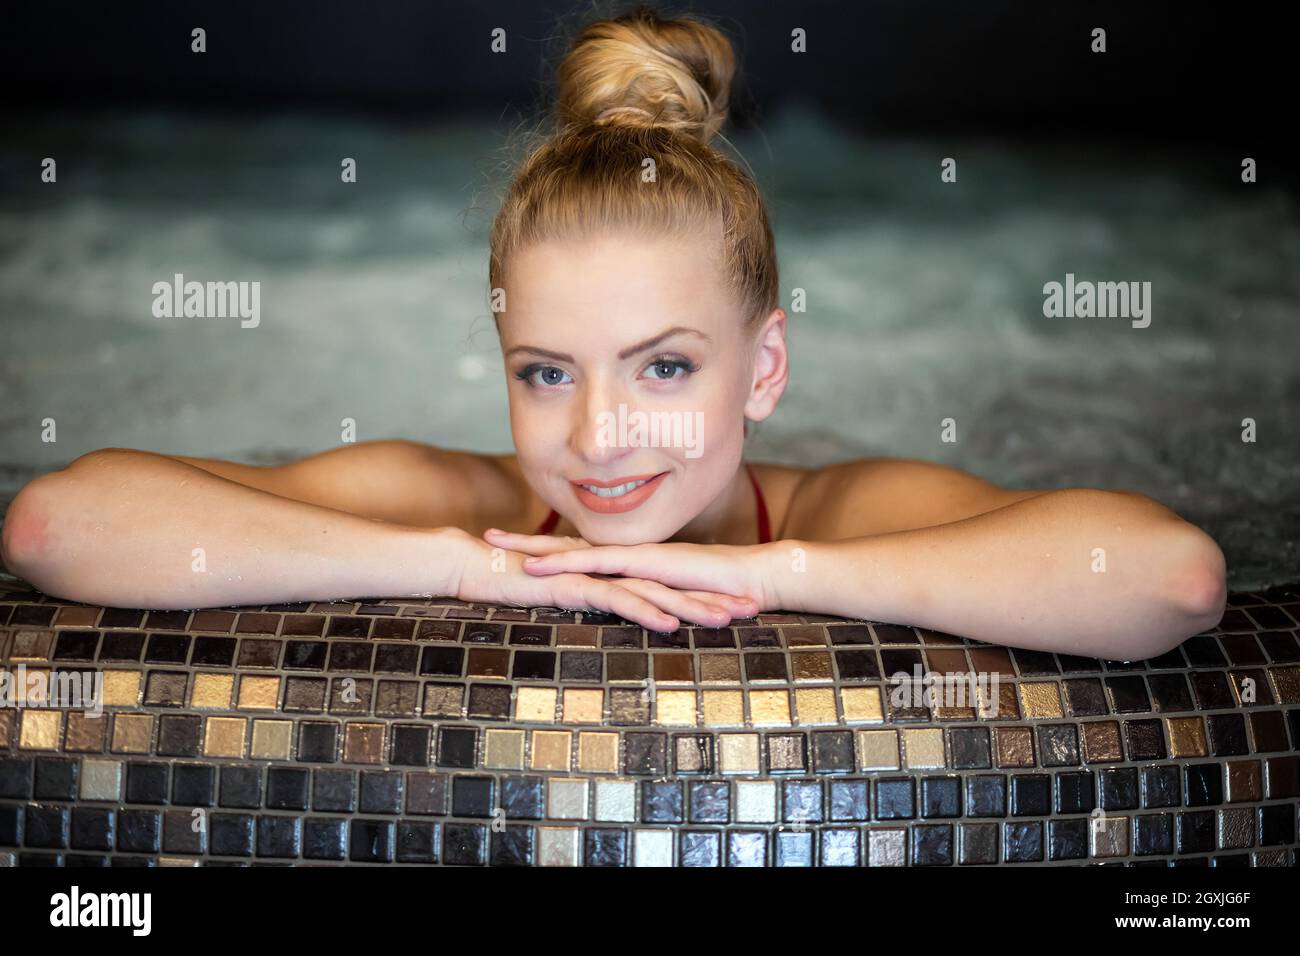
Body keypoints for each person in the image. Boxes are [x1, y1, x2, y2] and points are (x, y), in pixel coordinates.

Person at [0, 6, 1226, 660]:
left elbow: (1168, 577)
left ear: (768, 369)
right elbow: (61, 524)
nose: (599, 433)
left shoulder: (828, 515)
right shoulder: (460, 504)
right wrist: (456, 565)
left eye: (668, 364)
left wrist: (772, 578)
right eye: (546, 372)